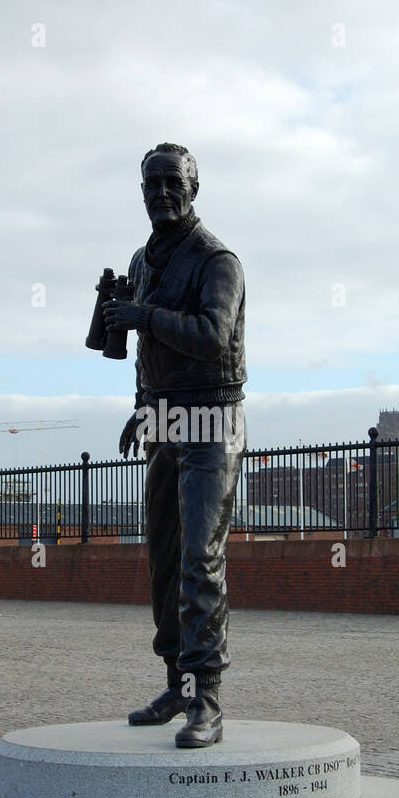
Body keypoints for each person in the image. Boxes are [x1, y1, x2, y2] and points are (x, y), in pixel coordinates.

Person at [102, 143, 247, 748]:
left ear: (194, 188)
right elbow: (144, 352)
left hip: (213, 420)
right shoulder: (142, 259)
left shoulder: (218, 260)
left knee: (198, 558)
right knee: (162, 559)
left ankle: (206, 696)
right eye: (152, 184)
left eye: (172, 183)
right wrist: (144, 410)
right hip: (165, 418)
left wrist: (142, 314)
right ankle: (176, 683)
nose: (162, 193)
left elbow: (213, 337)